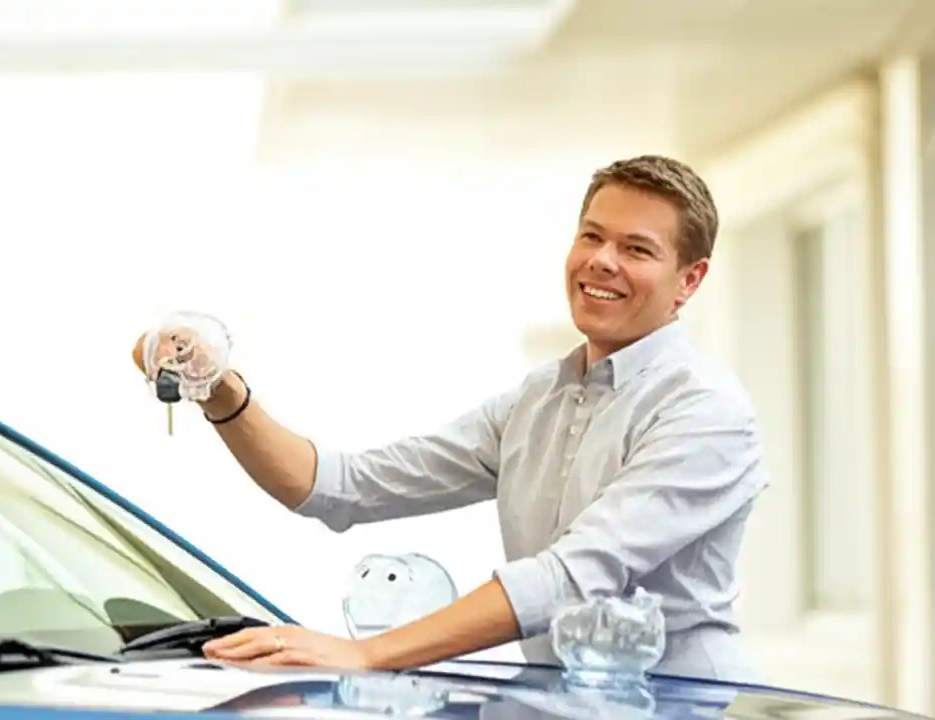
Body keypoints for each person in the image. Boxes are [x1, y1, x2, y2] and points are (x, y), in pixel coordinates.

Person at [132, 154, 769, 681]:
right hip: (563, 703)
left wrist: (367, 654)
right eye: (592, 236)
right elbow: (341, 486)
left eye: (637, 249)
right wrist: (217, 388)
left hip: (684, 707)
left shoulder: (706, 412)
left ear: (690, 280)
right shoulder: (540, 397)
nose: (603, 260)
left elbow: (572, 577)